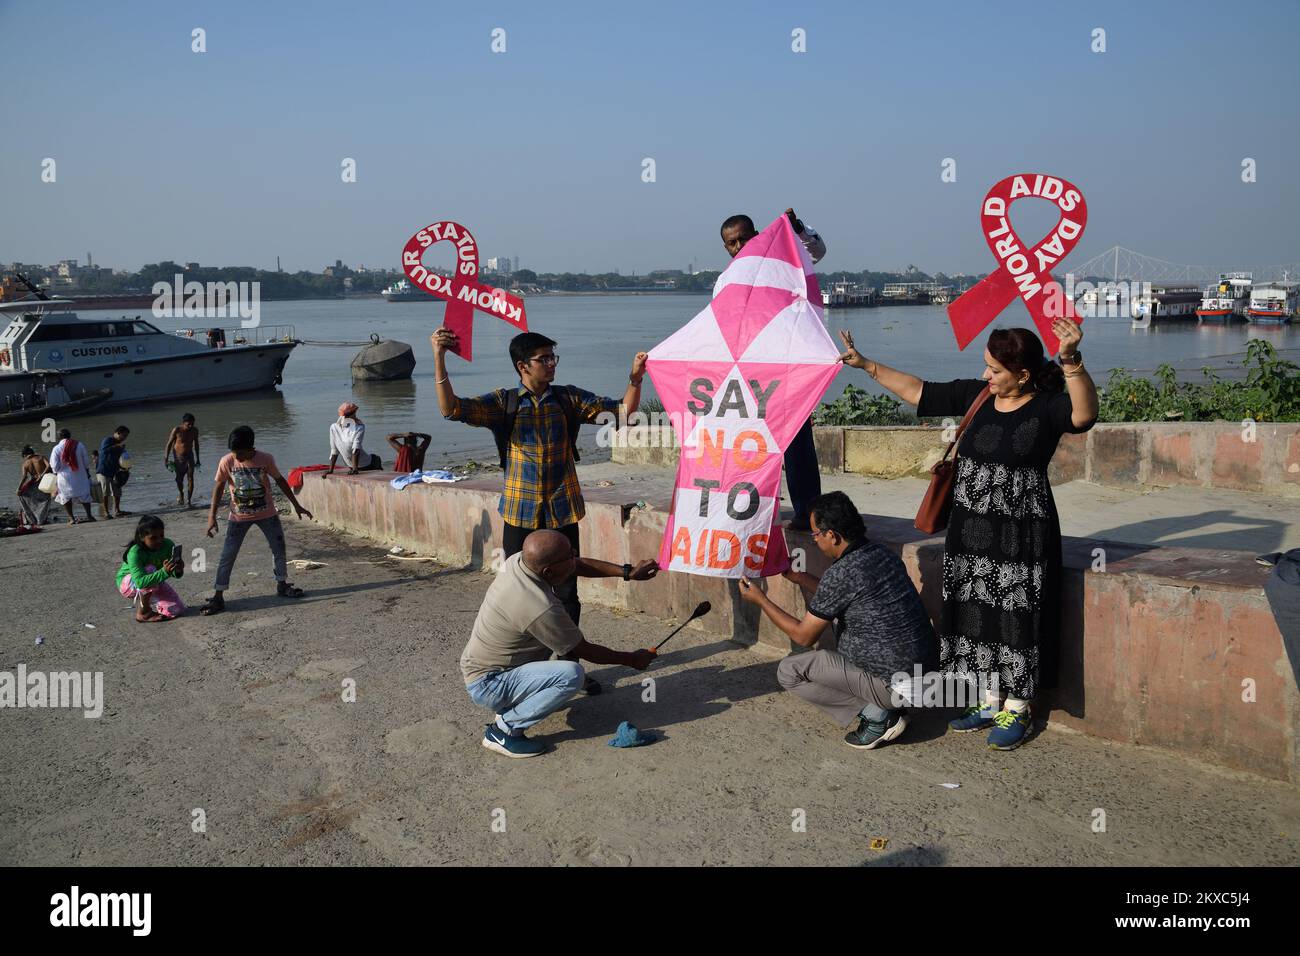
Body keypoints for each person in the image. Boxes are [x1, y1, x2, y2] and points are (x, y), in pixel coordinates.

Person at [838, 319, 1098, 750]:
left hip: (1022, 538)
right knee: (978, 614)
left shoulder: (1046, 406)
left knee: (1017, 619)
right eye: (986, 367)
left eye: (995, 370)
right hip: (972, 536)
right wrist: (867, 364)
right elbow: (919, 391)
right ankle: (988, 697)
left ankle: (1017, 706)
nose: (986, 376)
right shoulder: (977, 397)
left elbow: (1084, 414)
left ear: (1024, 374)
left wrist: (1070, 359)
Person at [434, 328, 648, 693]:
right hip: (519, 513)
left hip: (563, 510)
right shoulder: (504, 403)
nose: (551, 365)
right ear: (522, 366)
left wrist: (635, 378)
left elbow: (623, 414)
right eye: (543, 359)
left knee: (567, 594)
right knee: (521, 593)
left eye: (553, 358)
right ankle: (529, 672)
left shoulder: (568, 399)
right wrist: (438, 356)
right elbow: (452, 409)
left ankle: (568, 670)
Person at [738, 491, 938, 749]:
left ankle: (878, 716)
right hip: (925, 675)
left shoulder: (841, 572)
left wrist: (761, 600)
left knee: (790, 671)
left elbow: (803, 636)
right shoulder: (881, 554)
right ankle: (886, 705)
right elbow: (841, 596)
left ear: (831, 535)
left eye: (815, 534)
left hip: (895, 687)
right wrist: (798, 577)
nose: (816, 539)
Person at [461, 529, 659, 757]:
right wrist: (633, 659)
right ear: (549, 570)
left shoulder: (519, 561)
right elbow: (584, 650)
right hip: (490, 683)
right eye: (569, 555)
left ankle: (511, 705)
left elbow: (576, 564)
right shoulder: (538, 606)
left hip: (491, 670)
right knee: (571, 675)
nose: (575, 556)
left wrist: (628, 572)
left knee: (556, 658)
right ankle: (504, 730)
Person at [719, 208, 826, 532]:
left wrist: (798, 229)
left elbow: (817, 252)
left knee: (796, 442)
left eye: (742, 239)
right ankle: (748, 510)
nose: (738, 247)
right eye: (731, 243)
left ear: (756, 235)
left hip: (787, 369)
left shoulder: (783, 264)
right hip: (749, 373)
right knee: (748, 445)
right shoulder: (727, 280)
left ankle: (806, 511)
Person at [202, 425, 313, 616]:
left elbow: (280, 481)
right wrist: (211, 517)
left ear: (252, 448)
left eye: (241, 453)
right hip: (238, 517)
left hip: (267, 514)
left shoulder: (265, 459)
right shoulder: (227, 461)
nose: (237, 457)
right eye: (234, 452)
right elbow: (219, 488)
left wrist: (296, 505)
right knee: (228, 555)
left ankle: (282, 584)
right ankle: (218, 596)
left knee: (278, 549)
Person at [116, 515, 186, 622]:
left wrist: (178, 569)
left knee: (176, 610)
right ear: (142, 537)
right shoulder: (135, 552)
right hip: (129, 584)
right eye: (153, 538)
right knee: (150, 569)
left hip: (155, 579)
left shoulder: (168, 544)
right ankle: (144, 613)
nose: (159, 540)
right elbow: (140, 582)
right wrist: (164, 572)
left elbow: (172, 573)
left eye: (161, 535)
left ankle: (155, 603)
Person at [48, 428, 94, 524]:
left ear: (59, 437)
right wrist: (87, 472)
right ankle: (89, 516)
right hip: (80, 475)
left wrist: (61, 468)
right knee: (84, 495)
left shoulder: (56, 448)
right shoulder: (79, 445)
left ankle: (71, 518)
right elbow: (86, 462)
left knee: (65, 497)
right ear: (70, 435)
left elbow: (55, 467)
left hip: (64, 477)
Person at [325, 402, 382, 476]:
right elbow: (356, 449)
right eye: (354, 413)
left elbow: (334, 450)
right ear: (352, 415)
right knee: (376, 458)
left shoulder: (333, 427)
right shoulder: (359, 427)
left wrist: (331, 470)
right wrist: (355, 469)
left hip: (350, 465)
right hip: (365, 464)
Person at [164, 413, 201, 507]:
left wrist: (198, 459)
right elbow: (169, 444)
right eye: (188, 424)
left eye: (192, 424)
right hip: (178, 457)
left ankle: (189, 501)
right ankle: (181, 494)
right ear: (183, 423)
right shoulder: (177, 430)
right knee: (179, 480)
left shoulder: (195, 430)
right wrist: (166, 458)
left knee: (190, 478)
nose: (190, 426)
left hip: (190, 456)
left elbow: (196, 444)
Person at [96, 426, 131, 519]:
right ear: (117, 433)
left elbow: (122, 458)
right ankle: (106, 513)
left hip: (114, 471)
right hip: (103, 471)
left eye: (126, 436)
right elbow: (104, 451)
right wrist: (117, 446)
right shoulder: (107, 440)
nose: (124, 438)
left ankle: (117, 510)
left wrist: (125, 467)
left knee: (117, 491)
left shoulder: (120, 445)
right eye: (123, 435)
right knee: (105, 492)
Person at [16, 446, 52, 526]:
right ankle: (42, 519)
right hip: (45, 482)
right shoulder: (41, 458)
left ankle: (33, 519)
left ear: (25, 455)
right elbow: (49, 465)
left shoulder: (25, 464)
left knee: (27, 498)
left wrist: (18, 489)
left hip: (34, 483)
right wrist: (42, 475)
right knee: (45, 500)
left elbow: (24, 477)